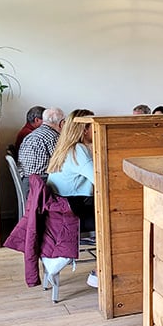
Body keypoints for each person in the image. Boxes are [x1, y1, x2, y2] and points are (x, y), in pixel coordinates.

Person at [46, 109, 97, 287]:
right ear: (84, 129)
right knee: (116, 218)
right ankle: (100, 272)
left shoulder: (66, 147)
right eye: (93, 126)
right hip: (72, 212)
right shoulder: (79, 150)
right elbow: (100, 179)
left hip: (60, 209)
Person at [18, 107, 65, 177]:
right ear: (61, 123)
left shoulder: (30, 135)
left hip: (25, 179)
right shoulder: (53, 137)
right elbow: (62, 162)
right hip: (41, 181)